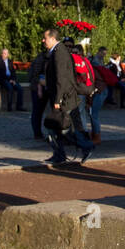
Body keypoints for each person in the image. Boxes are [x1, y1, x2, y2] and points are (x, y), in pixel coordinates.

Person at [41, 28, 94, 165]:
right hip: (65, 97)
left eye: (45, 38)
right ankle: (60, 154)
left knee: (60, 128)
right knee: (57, 127)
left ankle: (85, 146)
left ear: (52, 39)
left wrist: (58, 100)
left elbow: (62, 78)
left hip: (65, 98)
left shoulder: (59, 53)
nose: (43, 41)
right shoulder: (57, 51)